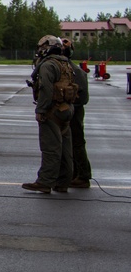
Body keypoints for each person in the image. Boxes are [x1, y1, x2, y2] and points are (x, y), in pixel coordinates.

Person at [22, 35, 74, 194]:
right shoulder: (65, 63)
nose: (39, 51)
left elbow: (46, 89)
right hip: (66, 109)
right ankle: (63, 182)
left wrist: (41, 110)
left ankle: (45, 182)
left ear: (48, 47)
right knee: (65, 149)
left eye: (41, 47)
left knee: (50, 147)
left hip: (52, 111)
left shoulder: (48, 65)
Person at [61, 38, 92, 188]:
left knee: (77, 142)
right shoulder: (66, 69)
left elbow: (83, 98)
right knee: (71, 143)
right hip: (71, 110)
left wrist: (71, 105)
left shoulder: (75, 71)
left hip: (75, 111)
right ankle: (75, 173)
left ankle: (83, 175)